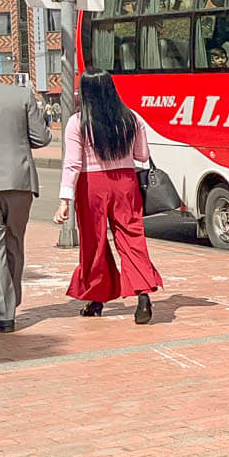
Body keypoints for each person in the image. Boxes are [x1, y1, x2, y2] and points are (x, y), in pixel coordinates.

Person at [53, 69, 163, 323]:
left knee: (95, 242)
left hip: (91, 185)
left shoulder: (77, 122)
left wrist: (64, 200)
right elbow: (142, 156)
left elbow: (72, 164)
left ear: (86, 92)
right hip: (125, 182)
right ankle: (143, 293)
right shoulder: (131, 119)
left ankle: (97, 298)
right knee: (132, 237)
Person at [0, 66, 52, 332]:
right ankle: (11, 304)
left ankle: (5, 313)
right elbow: (42, 137)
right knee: (15, 241)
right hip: (20, 182)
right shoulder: (21, 95)